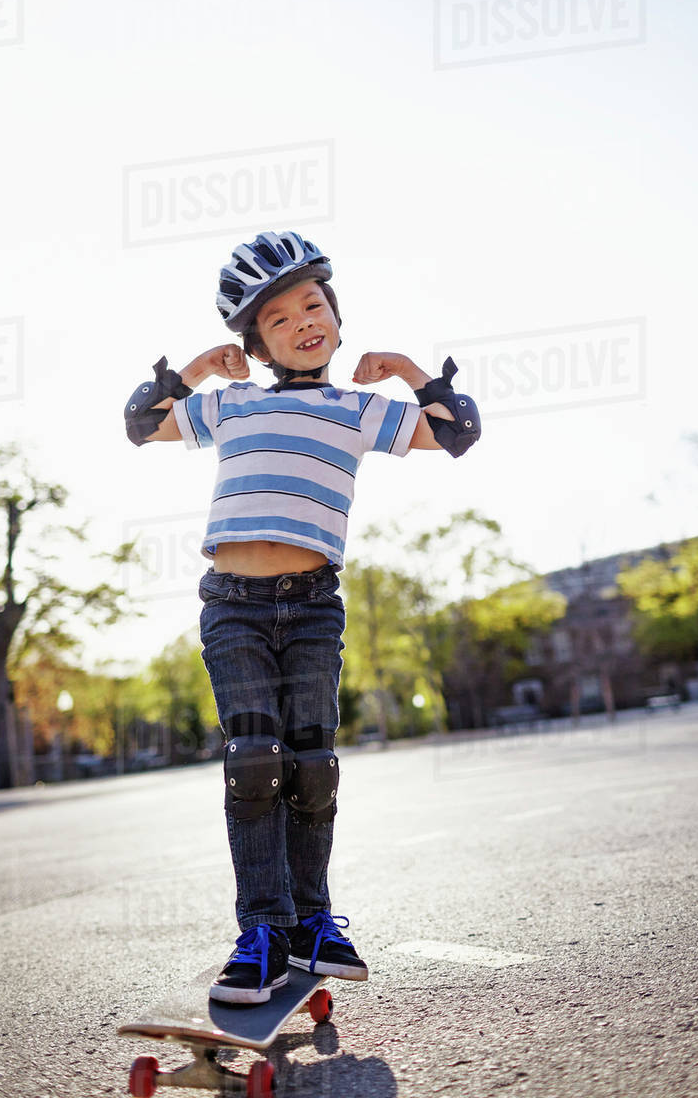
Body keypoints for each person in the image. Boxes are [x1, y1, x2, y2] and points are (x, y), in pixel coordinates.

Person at [124, 231, 481, 1005]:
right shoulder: (231, 404)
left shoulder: (360, 410)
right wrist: (193, 370)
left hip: (314, 606)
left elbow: (455, 431)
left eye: (313, 305)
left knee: (312, 765)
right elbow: (143, 423)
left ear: (337, 314)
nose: (302, 322)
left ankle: (313, 923)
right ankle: (261, 929)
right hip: (235, 608)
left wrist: (409, 371)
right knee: (255, 759)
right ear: (253, 345)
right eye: (278, 320)